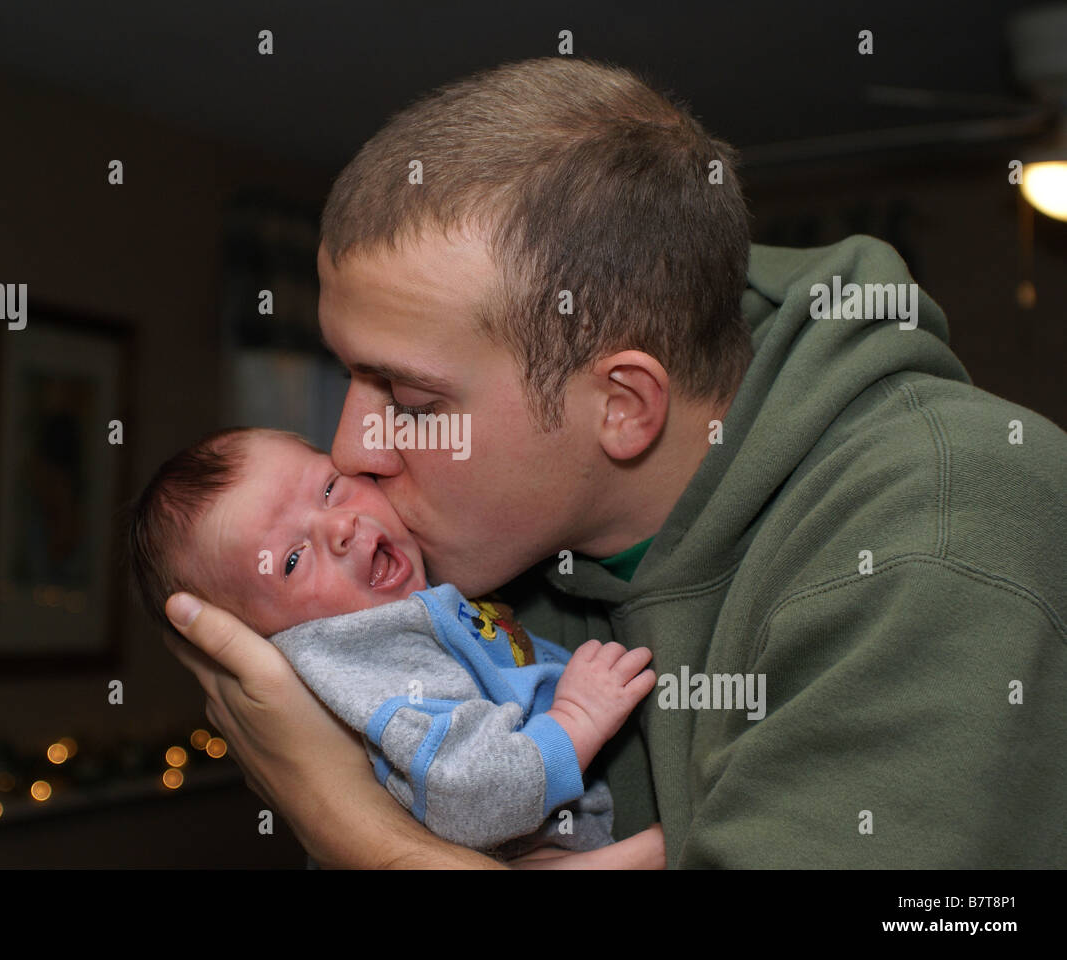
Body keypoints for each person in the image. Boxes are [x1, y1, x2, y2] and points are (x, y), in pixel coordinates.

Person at [164, 57, 1067, 868]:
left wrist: (339, 813)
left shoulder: (946, 539)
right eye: (348, 379)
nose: (354, 449)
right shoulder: (467, 562)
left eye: (411, 402)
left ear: (623, 406)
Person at [128, 426, 657, 855]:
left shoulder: (418, 593)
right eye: (290, 560)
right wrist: (577, 720)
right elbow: (469, 793)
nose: (337, 526)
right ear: (263, 642)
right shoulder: (364, 657)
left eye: (330, 488)